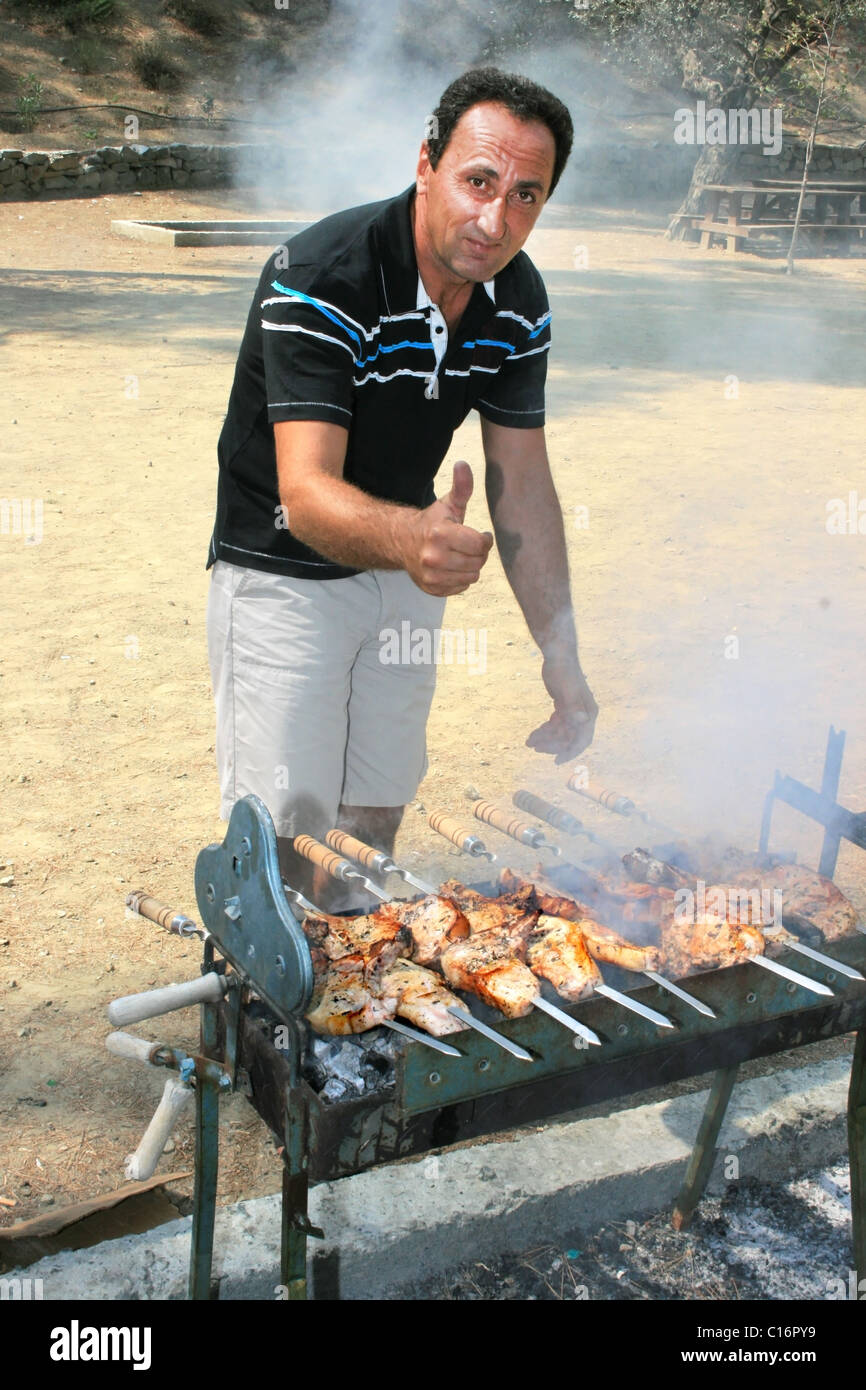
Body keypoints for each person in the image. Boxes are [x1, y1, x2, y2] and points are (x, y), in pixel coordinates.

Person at [206, 66, 598, 905]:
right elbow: (305, 492)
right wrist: (416, 541)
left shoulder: (517, 300)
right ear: (426, 163)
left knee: (375, 812)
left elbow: (521, 484)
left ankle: (351, 1008)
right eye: (479, 181)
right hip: (281, 567)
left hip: (404, 567)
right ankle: (273, 1010)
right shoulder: (323, 275)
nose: (496, 220)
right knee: (287, 825)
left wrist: (559, 654)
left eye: (527, 195)